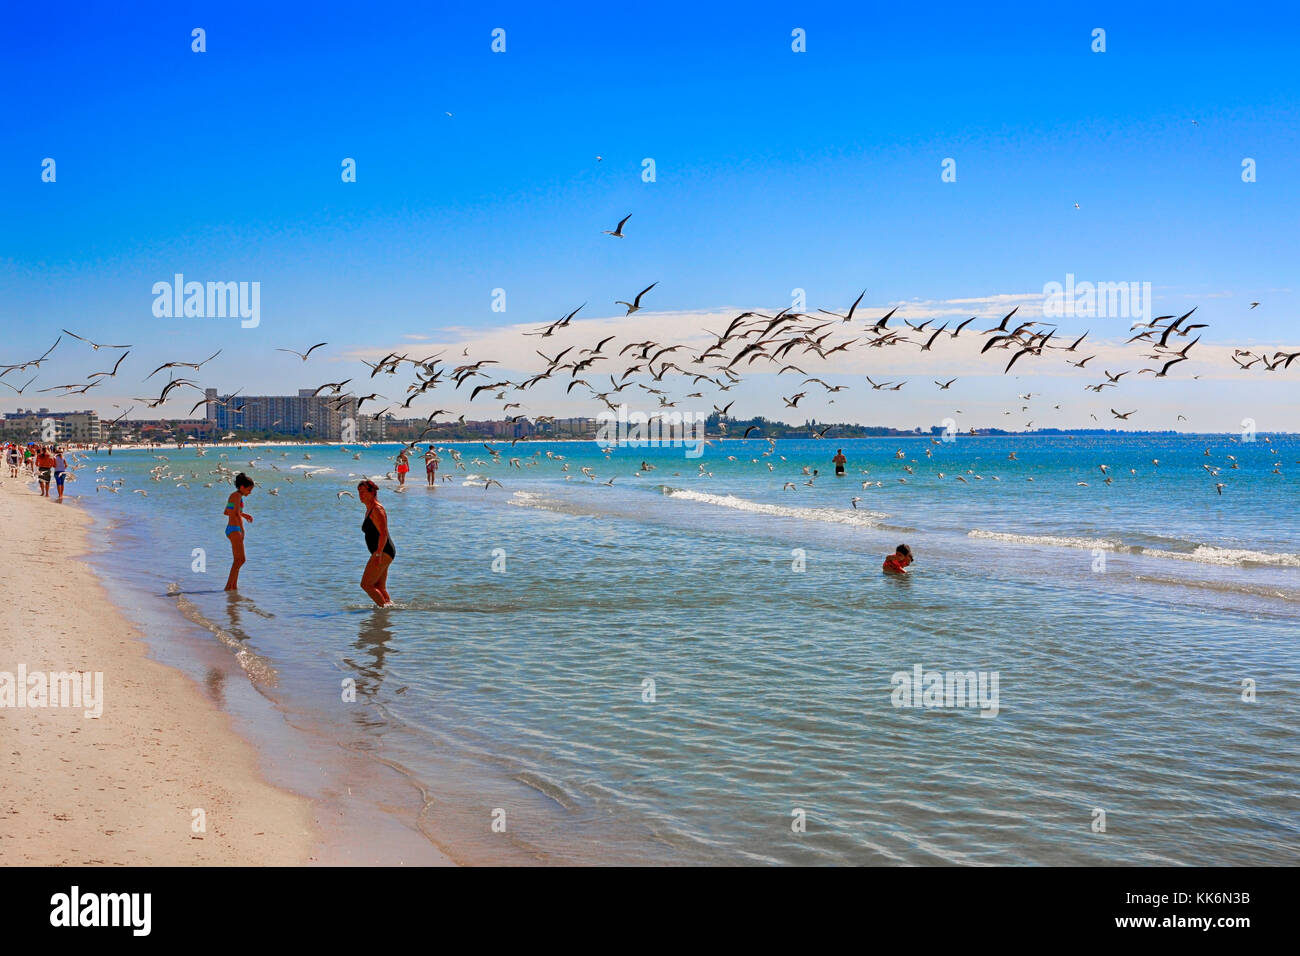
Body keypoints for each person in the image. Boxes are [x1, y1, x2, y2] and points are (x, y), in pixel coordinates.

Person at [358, 479, 395, 607]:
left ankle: (383, 612)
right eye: (359, 492)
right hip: (382, 551)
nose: (360, 495)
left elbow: (383, 533)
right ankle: (388, 613)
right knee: (380, 587)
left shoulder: (377, 509)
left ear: (372, 492)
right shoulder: (369, 508)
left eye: (363, 492)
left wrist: (378, 554)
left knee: (366, 585)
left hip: (383, 551)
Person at [223, 473, 255, 591]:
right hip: (235, 529)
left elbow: (227, 512)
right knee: (240, 560)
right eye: (249, 489)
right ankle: (228, 587)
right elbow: (235, 514)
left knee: (238, 560)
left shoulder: (234, 496)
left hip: (231, 529)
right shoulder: (237, 496)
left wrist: (244, 514)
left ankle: (233, 587)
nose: (249, 492)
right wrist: (242, 529)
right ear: (242, 487)